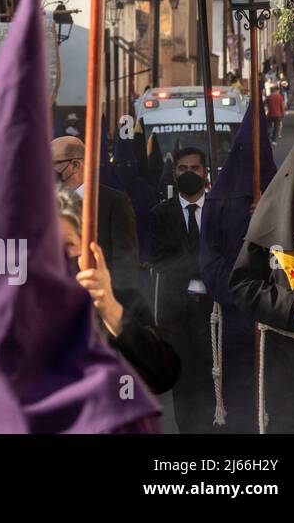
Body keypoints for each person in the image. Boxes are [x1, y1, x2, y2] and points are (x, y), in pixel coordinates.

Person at [58, 189, 180, 396]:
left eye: (68, 244)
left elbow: (163, 374)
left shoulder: (122, 300)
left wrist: (110, 310)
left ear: (87, 248)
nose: (58, 254)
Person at [145, 147, 214, 432]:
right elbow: (159, 259)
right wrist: (195, 274)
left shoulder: (218, 210)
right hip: (177, 315)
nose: (189, 174)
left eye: (194, 169)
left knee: (214, 377)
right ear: (174, 173)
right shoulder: (160, 214)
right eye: (183, 169)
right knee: (183, 382)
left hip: (214, 312)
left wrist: (206, 275)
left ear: (205, 172)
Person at [51, 136, 141, 299]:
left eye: (51, 164)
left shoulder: (114, 202)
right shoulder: (45, 203)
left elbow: (125, 261)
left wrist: (110, 305)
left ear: (75, 165)